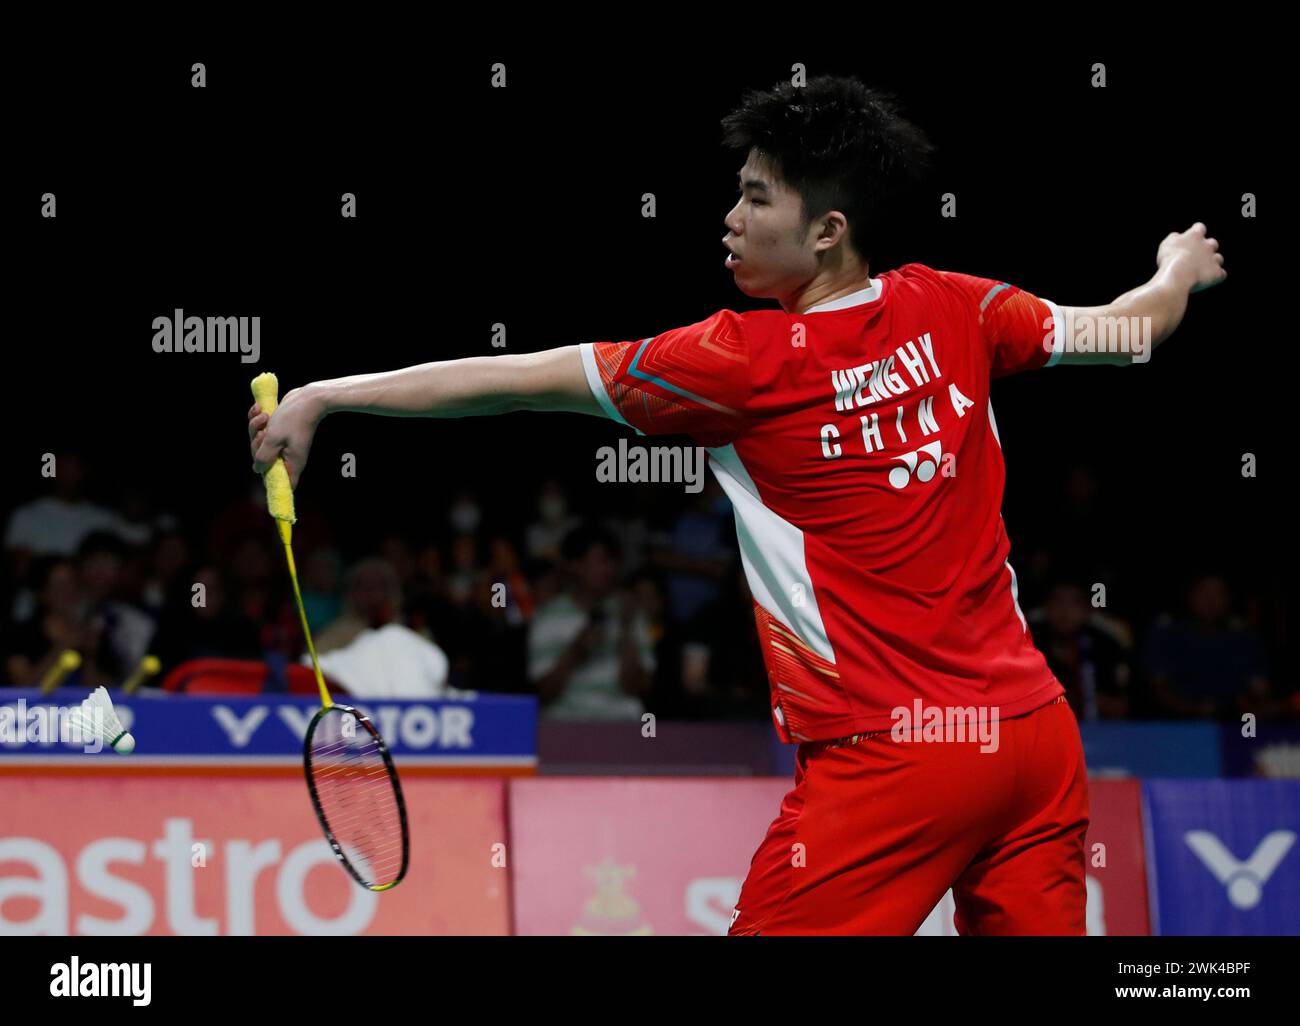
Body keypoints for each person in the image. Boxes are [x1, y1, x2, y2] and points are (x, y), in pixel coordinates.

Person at [249, 75, 1227, 935]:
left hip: (894, 759)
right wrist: (1176, 271)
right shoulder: (962, 308)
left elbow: (515, 379)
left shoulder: (739, 365)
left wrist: (327, 396)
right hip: (1035, 741)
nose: (729, 216)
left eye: (756, 197)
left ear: (826, 232)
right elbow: (1128, 331)